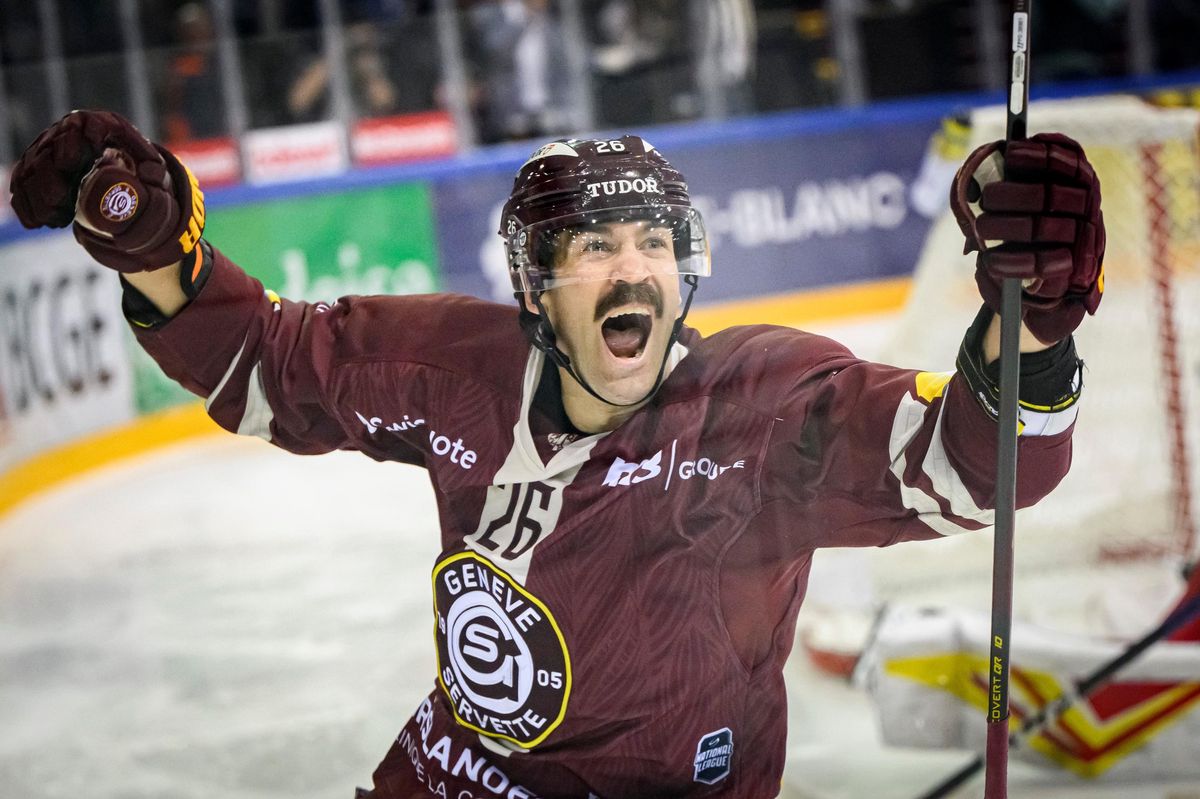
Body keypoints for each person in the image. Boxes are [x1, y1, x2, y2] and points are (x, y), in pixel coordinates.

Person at [8, 110, 1104, 797]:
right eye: (594, 245)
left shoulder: (761, 408)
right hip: (450, 777)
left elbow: (965, 467)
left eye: (654, 242)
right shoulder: (459, 367)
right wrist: (152, 246)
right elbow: (270, 361)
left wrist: (1036, 324)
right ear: (536, 285)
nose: (632, 270)